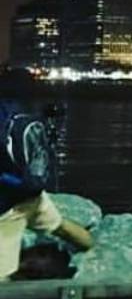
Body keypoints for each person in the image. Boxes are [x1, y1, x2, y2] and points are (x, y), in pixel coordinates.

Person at [0, 103, 93, 281]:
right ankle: (93, 249)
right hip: (33, 193)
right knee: (61, 226)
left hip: (7, 210)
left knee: (1, 275)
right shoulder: (7, 108)